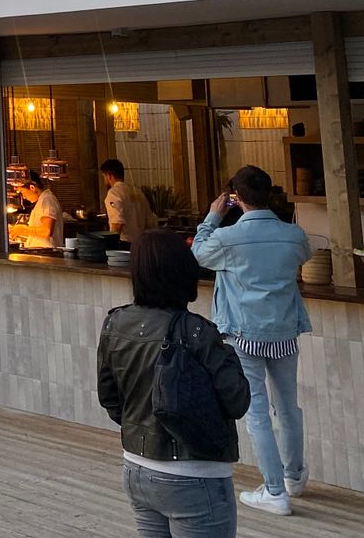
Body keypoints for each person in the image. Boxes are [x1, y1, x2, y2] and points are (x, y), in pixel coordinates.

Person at [98, 229, 251, 538]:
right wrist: (230, 353)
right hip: (195, 474)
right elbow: (238, 401)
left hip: (137, 468)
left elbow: (110, 399)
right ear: (185, 273)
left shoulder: (115, 322)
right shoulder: (199, 332)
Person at [192, 165, 313, 516]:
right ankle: (294, 477)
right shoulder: (294, 235)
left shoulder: (228, 239)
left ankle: (275, 491)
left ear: (236, 197)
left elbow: (198, 254)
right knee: (288, 407)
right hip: (285, 330)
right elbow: (303, 255)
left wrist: (212, 217)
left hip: (245, 332)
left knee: (257, 412)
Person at [102, 159, 156, 244]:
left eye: (104, 176)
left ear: (109, 176)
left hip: (126, 243)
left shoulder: (114, 193)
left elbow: (117, 223)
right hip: (143, 242)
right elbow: (150, 219)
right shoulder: (137, 191)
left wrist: (111, 244)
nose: (104, 180)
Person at [9, 169, 64, 251]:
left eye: (22, 192)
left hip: (47, 253)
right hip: (39, 253)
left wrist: (24, 229)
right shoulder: (41, 201)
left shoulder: (47, 200)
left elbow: (46, 231)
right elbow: (37, 235)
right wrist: (17, 231)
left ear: (32, 187)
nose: (23, 197)